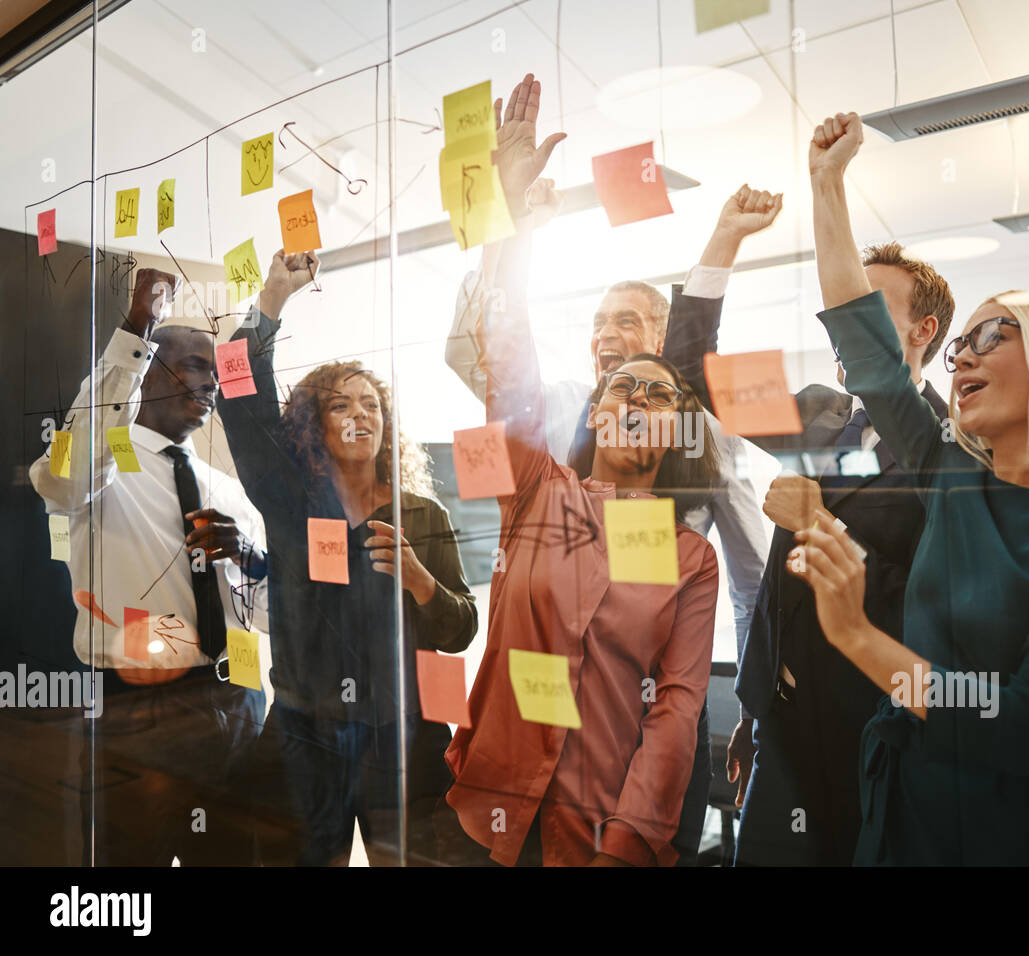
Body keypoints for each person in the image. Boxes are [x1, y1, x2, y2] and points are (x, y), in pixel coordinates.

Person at [791, 111, 1029, 865]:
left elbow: (1019, 725)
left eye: (992, 336)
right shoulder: (953, 475)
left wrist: (857, 635)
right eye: (959, 345)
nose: (960, 359)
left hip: (1019, 839)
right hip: (903, 818)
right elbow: (864, 348)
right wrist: (826, 185)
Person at [443, 75, 777, 865]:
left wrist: (629, 839)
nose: (627, 381)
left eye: (652, 382)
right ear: (595, 410)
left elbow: (680, 704)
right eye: (617, 382)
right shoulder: (543, 481)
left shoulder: (688, 551)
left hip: (612, 796)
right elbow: (502, 352)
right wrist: (506, 218)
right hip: (500, 794)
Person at [668, 237, 954, 864]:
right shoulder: (818, 410)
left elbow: (931, 600)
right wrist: (722, 239)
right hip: (784, 725)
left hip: (882, 731)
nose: (838, 326)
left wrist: (823, 525)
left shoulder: (952, 447)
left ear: (923, 329)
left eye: (862, 305)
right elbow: (693, 374)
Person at [217, 249, 478, 866]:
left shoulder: (422, 514)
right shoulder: (290, 504)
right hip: (307, 731)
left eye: (371, 405)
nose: (361, 415)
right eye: (341, 405)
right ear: (313, 424)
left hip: (403, 734)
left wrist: (419, 581)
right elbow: (237, 403)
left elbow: (462, 628)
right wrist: (270, 303)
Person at [30, 268, 269, 865]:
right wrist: (137, 329)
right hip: (138, 711)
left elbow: (263, 614)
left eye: (216, 370)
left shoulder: (230, 493)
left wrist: (253, 560)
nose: (211, 382)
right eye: (195, 365)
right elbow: (67, 476)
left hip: (234, 699)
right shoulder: (96, 470)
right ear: (147, 372)